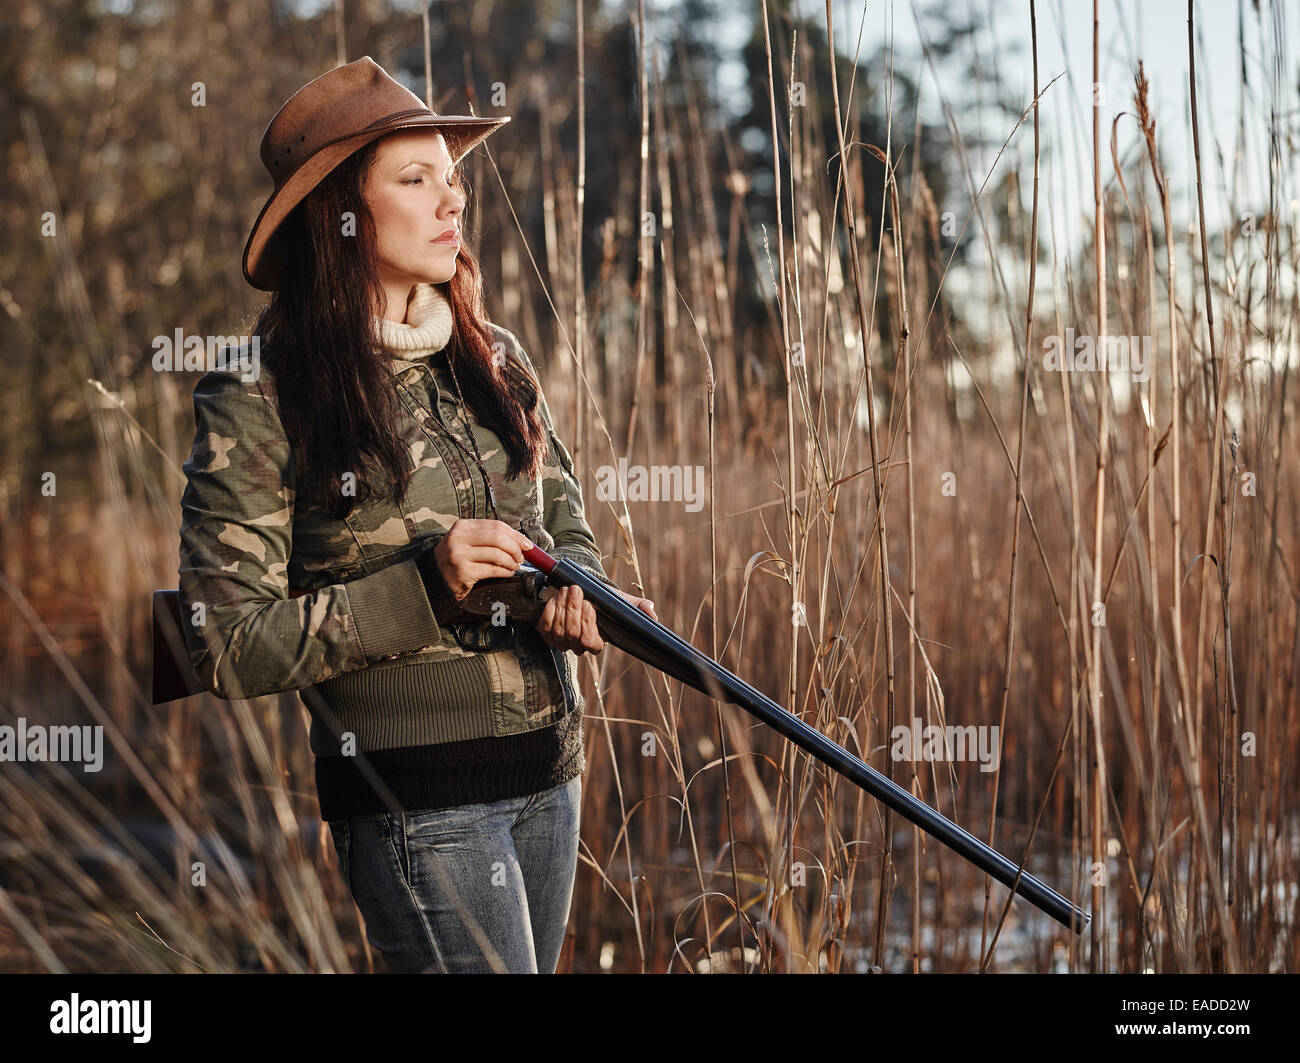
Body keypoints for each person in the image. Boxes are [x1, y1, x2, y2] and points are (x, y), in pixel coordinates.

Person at [177, 56, 655, 973]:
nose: (453, 204)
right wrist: (426, 587)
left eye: (454, 179)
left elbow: (567, 523)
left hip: (550, 773)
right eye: (415, 178)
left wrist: (576, 594)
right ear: (340, 213)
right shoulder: (262, 390)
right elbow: (220, 640)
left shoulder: (495, 355)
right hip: (417, 800)